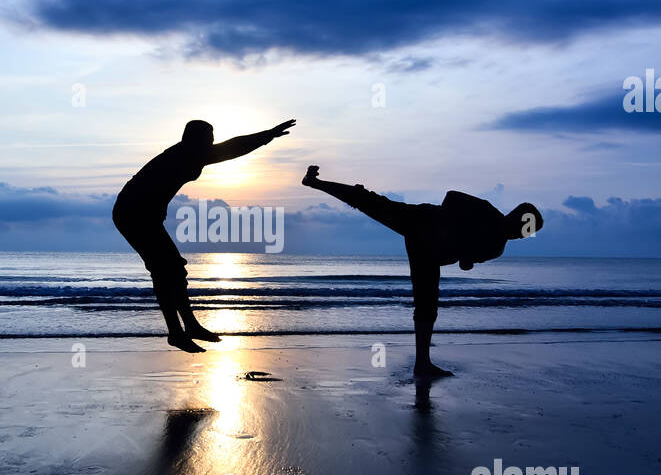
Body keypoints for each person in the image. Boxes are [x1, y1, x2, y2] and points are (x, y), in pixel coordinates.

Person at [301, 166, 543, 377]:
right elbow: (451, 197)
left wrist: (464, 250)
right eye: (525, 228)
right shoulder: (486, 212)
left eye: (526, 234)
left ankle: (422, 363)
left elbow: (465, 263)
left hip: (428, 254)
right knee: (370, 201)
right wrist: (454, 232)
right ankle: (315, 182)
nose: (522, 235)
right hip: (420, 221)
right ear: (515, 217)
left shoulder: (496, 247)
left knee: (427, 306)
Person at [114, 118, 296, 352]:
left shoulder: (191, 152)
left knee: (173, 269)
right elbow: (232, 148)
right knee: (165, 269)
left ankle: (187, 327)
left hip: (142, 214)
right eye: (209, 136)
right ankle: (178, 332)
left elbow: (230, 148)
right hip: (133, 213)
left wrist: (265, 136)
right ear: (195, 138)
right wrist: (266, 136)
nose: (212, 141)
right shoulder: (186, 153)